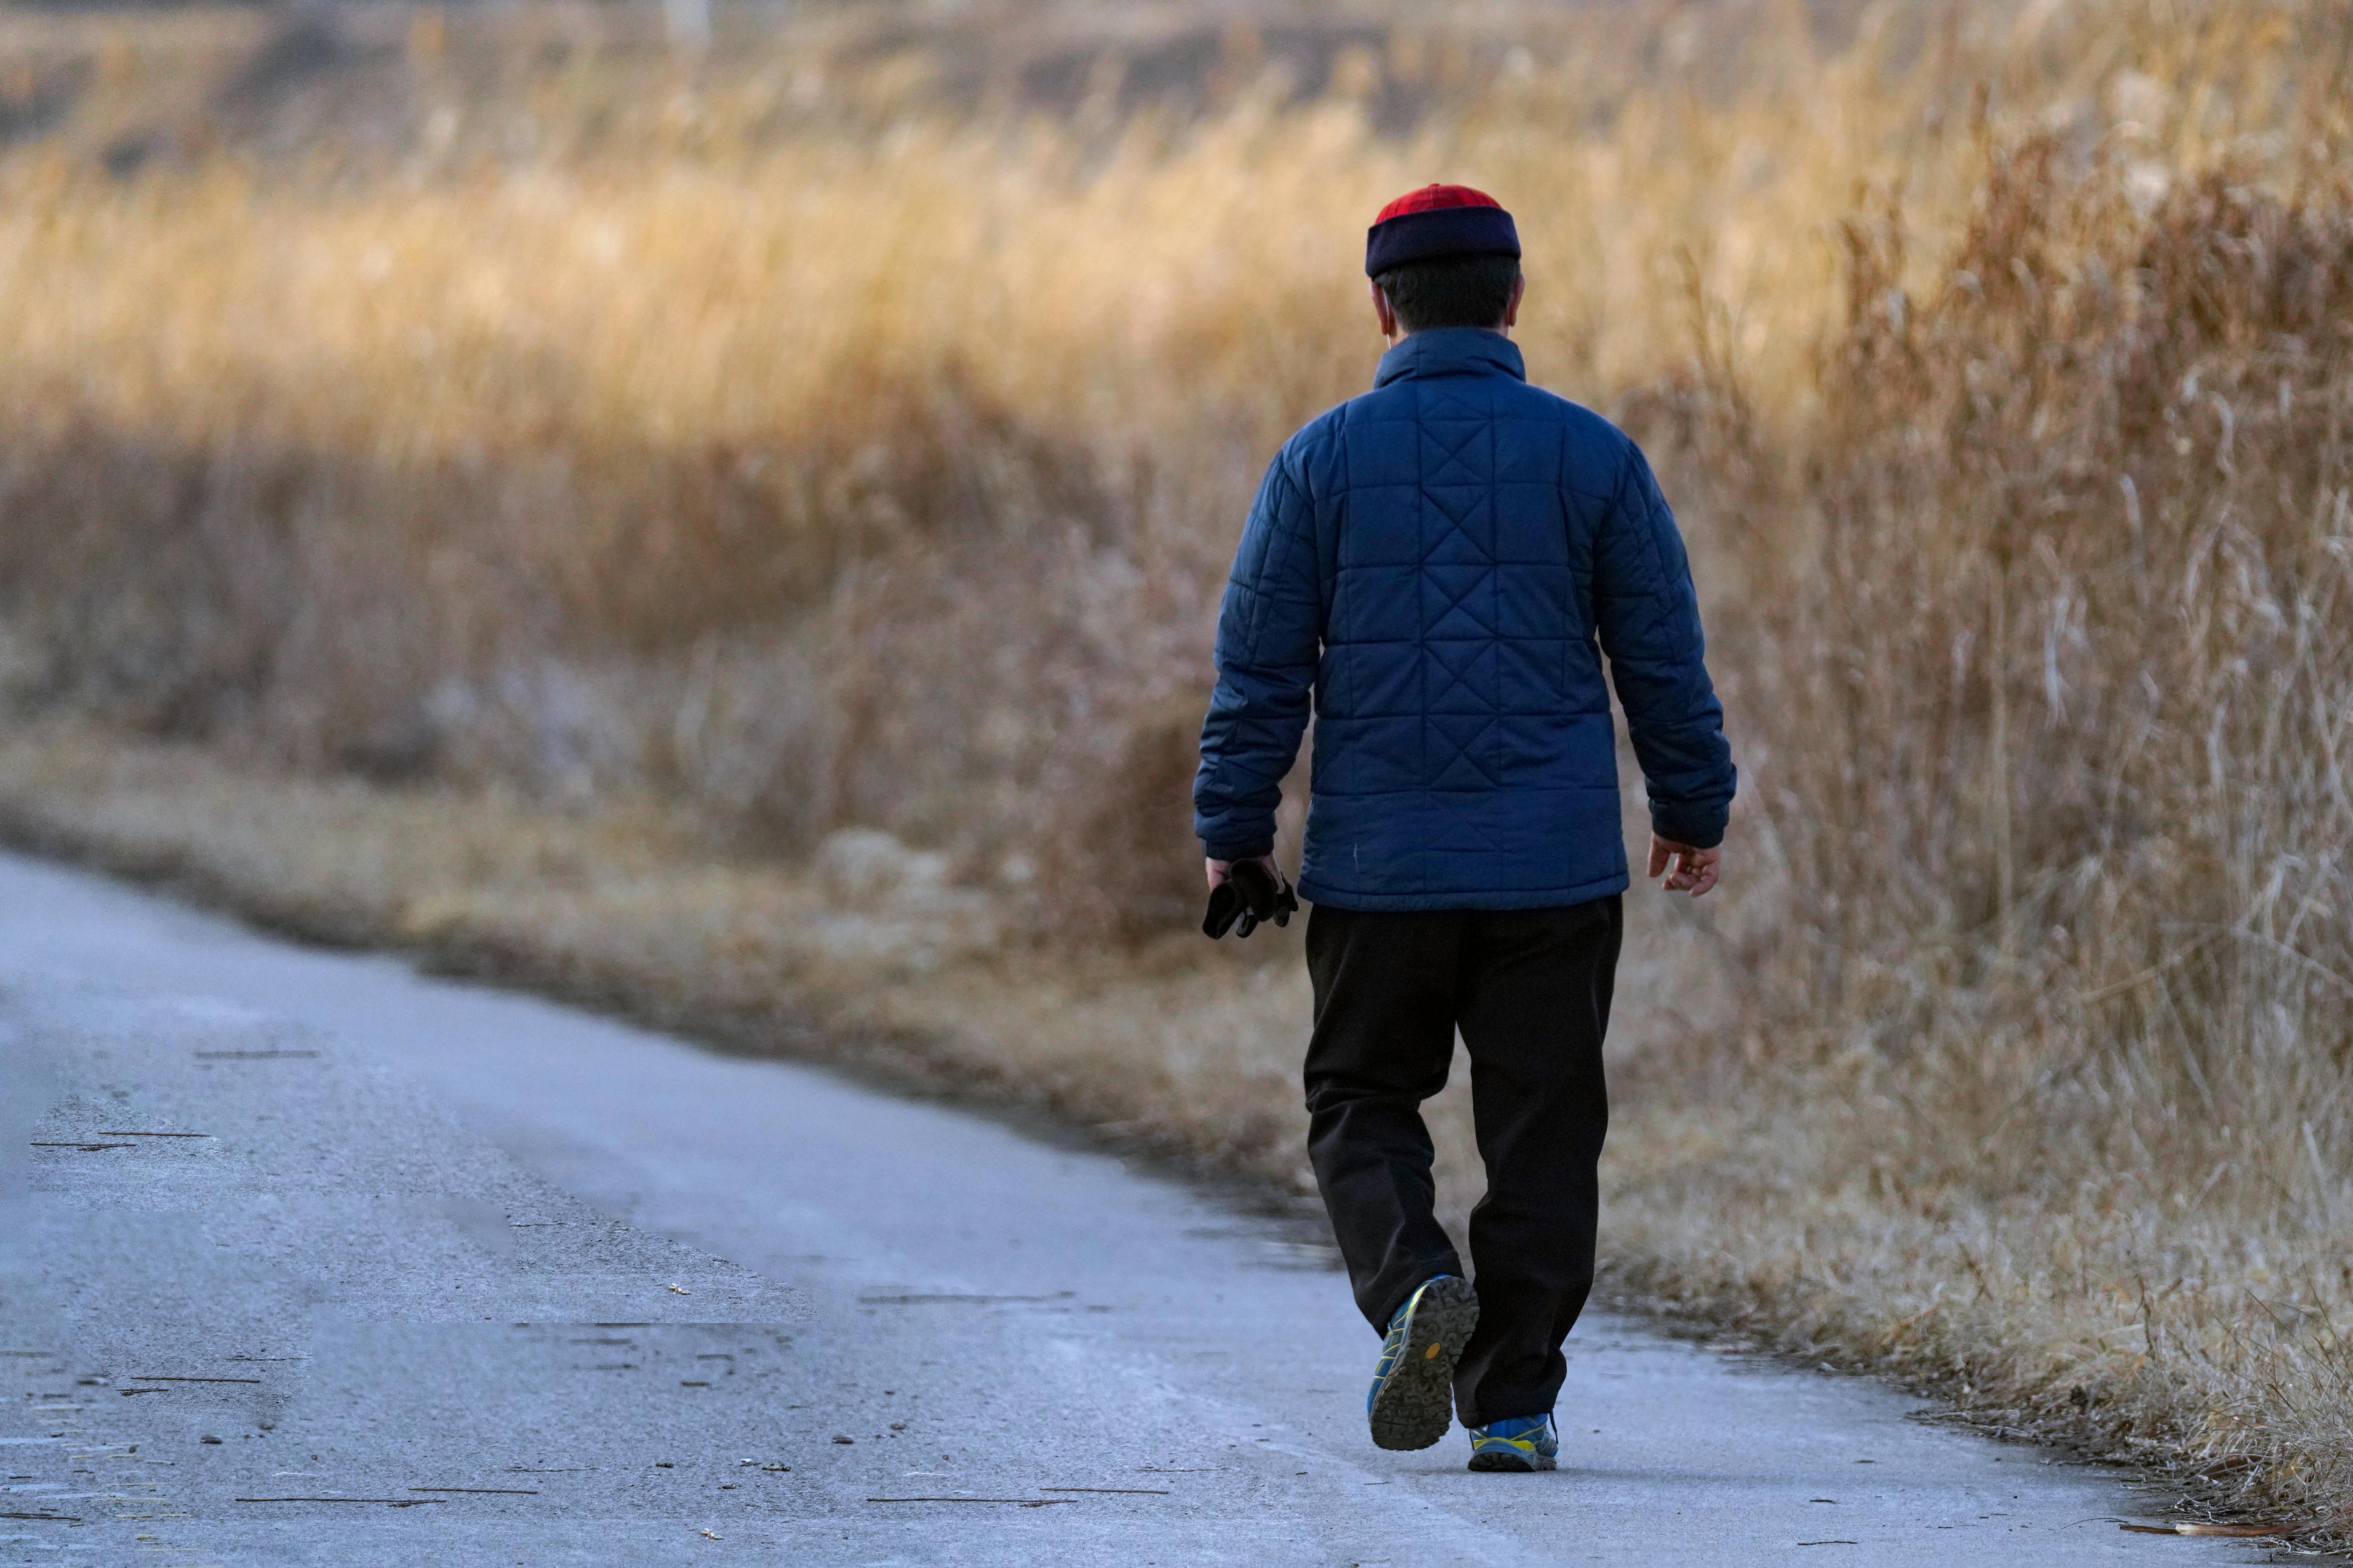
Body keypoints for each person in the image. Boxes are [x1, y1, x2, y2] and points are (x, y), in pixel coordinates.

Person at [1192, 184, 1736, 1472]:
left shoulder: (1318, 461)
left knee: (1360, 1092)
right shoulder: (1594, 456)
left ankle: (1413, 1287)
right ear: (1515, 298)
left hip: (1379, 868)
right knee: (1545, 1122)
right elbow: (1661, 652)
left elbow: (1259, 666)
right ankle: (1511, 1406)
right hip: (1553, 868)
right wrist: (1692, 805)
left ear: (1381, 304)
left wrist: (1235, 827)